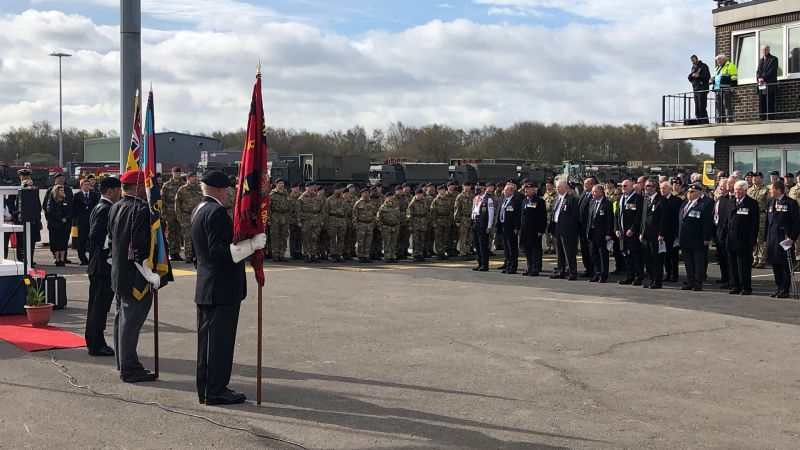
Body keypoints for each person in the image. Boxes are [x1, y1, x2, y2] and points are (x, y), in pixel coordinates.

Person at [191, 170, 265, 405]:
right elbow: (219, 251)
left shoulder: (199, 209)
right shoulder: (217, 213)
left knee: (208, 343)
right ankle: (216, 390)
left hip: (207, 285)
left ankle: (207, 387)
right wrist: (251, 245)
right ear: (222, 190)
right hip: (221, 288)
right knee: (220, 343)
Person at [108, 170, 161, 383]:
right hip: (135, 277)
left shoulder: (115, 207)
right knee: (130, 324)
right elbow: (139, 247)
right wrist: (149, 273)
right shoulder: (140, 209)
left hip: (119, 274)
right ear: (139, 187)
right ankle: (129, 369)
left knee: (121, 320)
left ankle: (123, 363)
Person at [85, 176, 121, 357]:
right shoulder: (104, 208)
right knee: (99, 307)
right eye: (118, 190)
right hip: (102, 266)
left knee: (97, 306)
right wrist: (109, 245)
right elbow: (95, 235)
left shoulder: (102, 206)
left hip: (99, 265)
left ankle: (94, 341)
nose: (120, 193)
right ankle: (96, 344)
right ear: (111, 190)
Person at [764, 181, 800, 298]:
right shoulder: (770, 202)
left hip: (785, 238)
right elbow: (767, 222)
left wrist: (792, 238)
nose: (770, 191)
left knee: (784, 265)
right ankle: (779, 287)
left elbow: (796, 223)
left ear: (778, 190)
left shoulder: (791, 203)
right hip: (772, 238)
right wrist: (766, 238)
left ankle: (785, 290)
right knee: (775, 264)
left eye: (771, 189)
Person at [726, 180, 759, 295]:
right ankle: (736, 286)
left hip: (744, 240)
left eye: (739, 189)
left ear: (745, 190)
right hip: (730, 239)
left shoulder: (751, 203)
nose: (737, 192)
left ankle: (746, 287)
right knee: (733, 264)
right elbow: (726, 221)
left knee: (743, 265)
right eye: (735, 189)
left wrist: (752, 240)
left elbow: (755, 224)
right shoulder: (730, 202)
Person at [679, 184, 713, 291]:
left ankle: (698, 282)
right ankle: (690, 281)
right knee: (688, 262)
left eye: (692, 191)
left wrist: (706, 238)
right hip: (685, 238)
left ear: (699, 193)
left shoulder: (703, 204)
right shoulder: (684, 203)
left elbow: (707, 222)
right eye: (688, 191)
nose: (689, 193)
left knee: (698, 262)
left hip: (697, 238)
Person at [615, 179, 644, 285]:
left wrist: (633, 229)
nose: (623, 187)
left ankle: (638, 277)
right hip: (622, 233)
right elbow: (617, 215)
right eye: (622, 186)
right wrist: (617, 229)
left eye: (625, 186)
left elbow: (638, 216)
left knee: (636, 256)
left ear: (632, 187)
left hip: (633, 233)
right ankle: (629, 276)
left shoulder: (637, 198)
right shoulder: (621, 198)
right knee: (626, 256)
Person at [549, 181, 580, 280]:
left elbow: (575, 216)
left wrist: (573, 230)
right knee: (559, 252)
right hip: (557, 228)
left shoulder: (571, 199)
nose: (557, 189)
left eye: (559, 187)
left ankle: (572, 272)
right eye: (557, 187)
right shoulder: (557, 199)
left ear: (565, 188)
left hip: (568, 230)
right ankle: (560, 271)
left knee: (569, 252)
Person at [639, 178, 665, 289]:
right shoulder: (646, 200)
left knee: (657, 259)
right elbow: (643, 218)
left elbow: (664, 220)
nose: (645, 188)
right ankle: (651, 279)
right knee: (647, 259)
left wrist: (661, 234)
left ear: (654, 187)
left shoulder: (661, 200)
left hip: (656, 235)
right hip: (646, 235)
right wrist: (641, 232)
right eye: (645, 186)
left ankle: (657, 281)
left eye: (648, 186)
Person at [586, 184, 614, 283]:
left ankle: (603, 274)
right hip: (592, 232)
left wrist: (609, 233)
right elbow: (589, 218)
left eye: (595, 192)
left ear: (601, 192)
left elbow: (610, 220)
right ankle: (596, 273)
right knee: (594, 253)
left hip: (602, 234)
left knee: (603, 254)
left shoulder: (607, 204)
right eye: (592, 192)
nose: (593, 193)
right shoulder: (592, 202)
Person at [519, 181, 547, 276]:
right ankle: (529, 267)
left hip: (534, 230)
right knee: (527, 250)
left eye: (528, 188)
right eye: (525, 188)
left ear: (534, 189)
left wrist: (541, 230)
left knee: (535, 250)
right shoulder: (525, 200)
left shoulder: (539, 201)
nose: (526, 190)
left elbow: (542, 217)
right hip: (525, 230)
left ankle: (536, 267)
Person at [175, 172, 203, 263]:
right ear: (188, 179)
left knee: (199, 235)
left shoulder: (200, 188)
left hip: (198, 215)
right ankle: (188, 256)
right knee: (187, 237)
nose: (194, 178)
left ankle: (198, 255)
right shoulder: (182, 189)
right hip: (186, 216)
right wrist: (180, 217)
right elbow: (177, 204)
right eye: (192, 177)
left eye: (195, 176)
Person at [496, 183, 523, 274]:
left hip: (511, 227)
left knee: (512, 248)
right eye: (504, 190)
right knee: (506, 248)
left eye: (507, 190)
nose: (504, 191)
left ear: (512, 191)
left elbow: (517, 215)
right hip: (503, 226)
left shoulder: (516, 201)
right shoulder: (503, 199)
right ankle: (507, 265)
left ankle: (513, 266)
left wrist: (516, 227)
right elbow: (499, 212)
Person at [72, 178, 100, 266]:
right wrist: (75, 221)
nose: (87, 186)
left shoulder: (94, 195)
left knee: (91, 240)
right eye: (85, 185)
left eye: (88, 185)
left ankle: (91, 258)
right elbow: (74, 209)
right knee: (81, 241)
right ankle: (82, 259)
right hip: (81, 221)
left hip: (92, 221)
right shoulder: (77, 196)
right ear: (81, 186)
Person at [160, 167, 185, 261]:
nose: (178, 174)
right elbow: (162, 199)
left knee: (178, 233)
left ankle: (177, 252)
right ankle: (171, 252)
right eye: (176, 172)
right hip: (169, 212)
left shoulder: (183, 185)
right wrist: (163, 212)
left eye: (179, 172)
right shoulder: (167, 185)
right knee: (170, 232)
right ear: (172, 173)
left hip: (179, 213)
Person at [295, 182, 324, 263]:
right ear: (306, 188)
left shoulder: (318, 197)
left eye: (313, 187)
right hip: (306, 221)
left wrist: (321, 220)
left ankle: (313, 255)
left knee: (314, 238)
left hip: (316, 221)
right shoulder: (301, 198)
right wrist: (299, 221)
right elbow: (298, 211)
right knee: (306, 239)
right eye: (310, 187)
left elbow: (322, 210)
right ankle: (306, 255)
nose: (312, 189)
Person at [659, 181, 682, 283]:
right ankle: (668, 273)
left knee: (673, 256)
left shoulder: (676, 201)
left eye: (664, 188)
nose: (662, 190)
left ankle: (674, 275)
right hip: (662, 233)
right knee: (665, 256)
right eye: (661, 188)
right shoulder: (659, 200)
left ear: (670, 189)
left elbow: (678, 218)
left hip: (672, 233)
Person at [712, 178, 732, 288]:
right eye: (720, 186)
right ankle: (724, 277)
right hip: (717, 230)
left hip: (725, 232)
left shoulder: (729, 200)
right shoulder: (720, 199)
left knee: (727, 257)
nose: (721, 188)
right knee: (721, 256)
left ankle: (730, 279)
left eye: (723, 186)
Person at [470, 182, 495, 272]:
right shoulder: (476, 198)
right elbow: (473, 210)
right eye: (477, 187)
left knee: (483, 245)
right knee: (476, 245)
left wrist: (489, 226)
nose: (477, 189)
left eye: (479, 188)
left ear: (484, 188)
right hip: (475, 223)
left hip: (483, 224)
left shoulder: (488, 199)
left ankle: (485, 264)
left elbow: (491, 213)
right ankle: (480, 263)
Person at [45, 185, 72, 266]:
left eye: (63, 190)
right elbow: (50, 211)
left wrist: (66, 218)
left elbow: (70, 211)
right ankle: (57, 259)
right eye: (61, 190)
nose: (63, 192)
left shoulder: (66, 200)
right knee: (56, 243)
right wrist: (60, 219)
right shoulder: (52, 201)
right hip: (55, 225)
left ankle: (62, 259)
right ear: (57, 191)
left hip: (64, 225)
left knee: (63, 243)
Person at [747, 172, 770, 269]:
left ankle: (761, 260)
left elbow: (769, 204)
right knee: (753, 237)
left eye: (756, 177)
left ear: (761, 179)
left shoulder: (766, 190)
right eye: (753, 178)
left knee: (761, 238)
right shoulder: (749, 190)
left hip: (761, 215)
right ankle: (754, 258)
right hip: (750, 216)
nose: (754, 179)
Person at [323, 184, 349, 262]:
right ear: (334, 190)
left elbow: (346, 212)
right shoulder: (329, 200)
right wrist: (326, 223)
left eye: (340, 189)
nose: (339, 190)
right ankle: (333, 254)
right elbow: (326, 212)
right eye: (337, 189)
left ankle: (339, 254)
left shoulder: (344, 200)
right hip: (332, 221)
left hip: (341, 221)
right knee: (332, 239)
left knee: (341, 239)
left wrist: (345, 222)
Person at [578, 177, 597, 277]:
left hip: (589, 228)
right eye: (584, 183)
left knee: (591, 250)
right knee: (584, 250)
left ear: (593, 185)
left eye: (588, 183)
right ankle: (588, 269)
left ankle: (594, 269)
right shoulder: (583, 194)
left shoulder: (594, 197)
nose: (585, 185)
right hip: (582, 228)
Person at [710, 54, 737, 122]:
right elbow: (716, 77)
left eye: (719, 60)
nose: (718, 61)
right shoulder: (717, 68)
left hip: (726, 89)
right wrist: (712, 80)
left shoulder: (730, 66)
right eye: (717, 60)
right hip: (717, 89)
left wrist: (733, 87)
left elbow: (734, 78)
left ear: (724, 60)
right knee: (718, 106)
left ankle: (729, 119)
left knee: (726, 104)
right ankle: (719, 120)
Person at [377, 191, 402, 263]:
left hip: (394, 227)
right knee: (387, 242)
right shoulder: (383, 207)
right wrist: (380, 227)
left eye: (391, 197)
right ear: (386, 198)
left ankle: (392, 256)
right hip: (386, 227)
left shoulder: (396, 206)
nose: (391, 198)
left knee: (393, 242)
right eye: (389, 197)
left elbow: (398, 216)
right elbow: (378, 217)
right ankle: (387, 257)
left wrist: (398, 225)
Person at [352, 188, 375, 263]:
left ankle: (366, 256)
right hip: (361, 224)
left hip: (369, 224)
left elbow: (373, 214)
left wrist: (373, 223)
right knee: (361, 241)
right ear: (362, 194)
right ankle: (360, 256)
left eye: (367, 193)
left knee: (368, 241)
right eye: (365, 193)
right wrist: (355, 225)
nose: (366, 194)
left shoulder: (371, 202)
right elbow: (354, 215)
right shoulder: (358, 203)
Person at [756, 44, 779, 120]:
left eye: (766, 49)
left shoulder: (774, 59)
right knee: (761, 100)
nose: (764, 51)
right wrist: (758, 78)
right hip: (761, 85)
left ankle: (770, 117)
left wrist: (763, 78)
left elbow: (772, 71)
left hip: (770, 83)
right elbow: (758, 71)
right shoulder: (761, 60)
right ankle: (762, 117)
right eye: (763, 49)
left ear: (769, 50)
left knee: (770, 101)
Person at [406, 189, 429, 262]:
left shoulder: (424, 202)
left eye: (422, 194)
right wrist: (410, 225)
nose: (421, 195)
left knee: (422, 240)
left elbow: (427, 213)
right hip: (415, 223)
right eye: (420, 194)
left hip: (422, 223)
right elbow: (409, 215)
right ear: (416, 195)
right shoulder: (412, 204)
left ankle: (420, 254)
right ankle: (415, 255)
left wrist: (427, 221)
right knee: (416, 240)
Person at [454, 181, 475, 260]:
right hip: (463, 218)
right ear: (463, 186)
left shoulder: (472, 196)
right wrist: (457, 220)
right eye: (466, 186)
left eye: (469, 186)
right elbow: (457, 209)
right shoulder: (460, 197)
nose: (468, 187)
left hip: (471, 218)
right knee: (463, 236)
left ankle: (468, 251)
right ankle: (463, 252)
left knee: (470, 236)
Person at [689, 55, 711, 123]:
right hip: (695, 90)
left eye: (694, 60)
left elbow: (707, 77)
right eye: (692, 61)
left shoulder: (703, 66)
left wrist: (698, 76)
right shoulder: (693, 67)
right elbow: (693, 80)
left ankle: (704, 122)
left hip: (702, 89)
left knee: (702, 106)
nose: (693, 62)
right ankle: (699, 121)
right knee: (697, 107)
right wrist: (690, 77)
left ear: (697, 59)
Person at [288, 182, 303, 259]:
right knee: (293, 236)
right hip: (292, 219)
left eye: (297, 187)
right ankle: (293, 252)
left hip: (300, 218)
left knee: (300, 236)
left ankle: (299, 252)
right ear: (291, 189)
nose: (296, 188)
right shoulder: (289, 197)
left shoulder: (302, 196)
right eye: (294, 187)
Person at [542, 181, 556, 254]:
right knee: (546, 232)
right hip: (546, 215)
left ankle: (554, 247)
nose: (547, 186)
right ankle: (548, 246)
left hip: (552, 215)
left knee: (552, 232)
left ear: (552, 185)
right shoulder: (546, 194)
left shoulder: (555, 194)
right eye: (546, 185)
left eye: (549, 185)